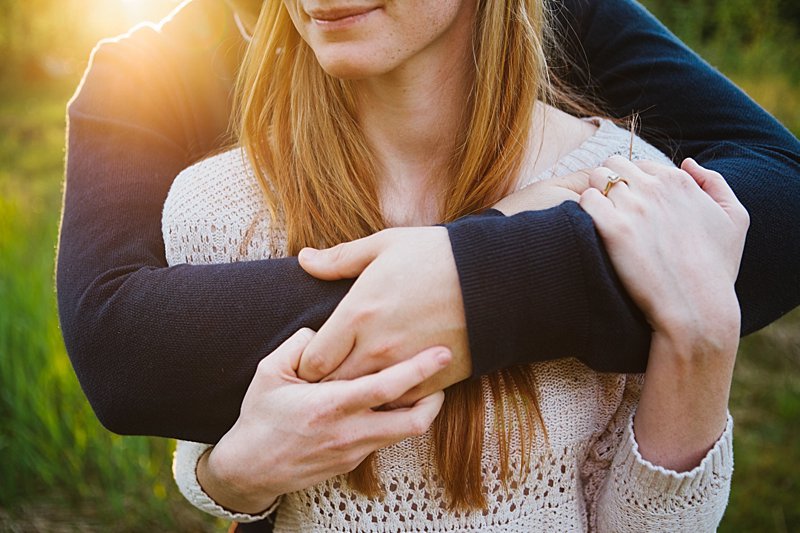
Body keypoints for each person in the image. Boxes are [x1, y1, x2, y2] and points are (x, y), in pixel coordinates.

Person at [58, 0, 800, 446]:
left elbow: (782, 196)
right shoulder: (146, 72)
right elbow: (119, 344)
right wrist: (471, 270)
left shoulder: (541, 16)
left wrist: (484, 275)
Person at [165, 1, 748, 530]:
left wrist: (705, 339)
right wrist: (239, 473)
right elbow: (215, 469)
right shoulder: (215, 208)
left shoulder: (628, 188)